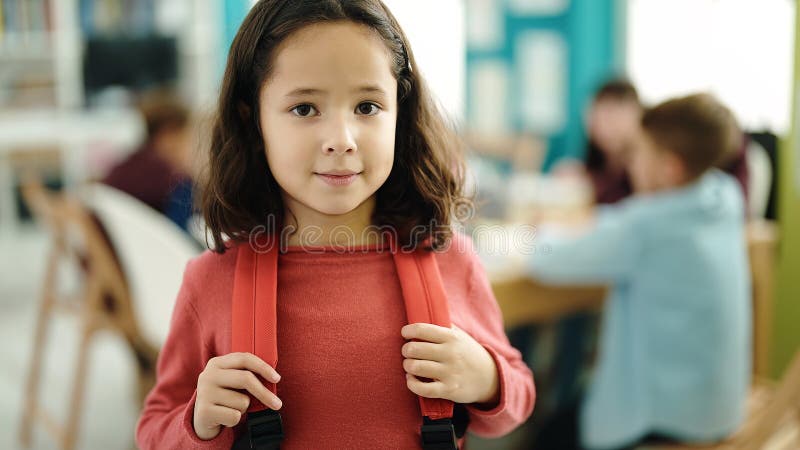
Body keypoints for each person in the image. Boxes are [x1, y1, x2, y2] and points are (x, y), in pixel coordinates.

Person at [135, 1, 536, 449]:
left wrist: (486, 378)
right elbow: (154, 429)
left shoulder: (452, 260)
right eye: (305, 109)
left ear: (399, 113)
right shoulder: (211, 280)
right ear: (254, 121)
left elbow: (518, 394)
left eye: (367, 106)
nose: (341, 141)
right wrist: (198, 421)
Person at [529, 93, 751, 450]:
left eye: (638, 153)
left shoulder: (646, 229)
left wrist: (540, 230)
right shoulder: (725, 197)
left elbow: (545, 260)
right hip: (719, 410)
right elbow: (625, 223)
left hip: (663, 422)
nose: (630, 164)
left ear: (670, 167)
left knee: (546, 436)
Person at [102, 91, 196, 231]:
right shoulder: (168, 179)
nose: (189, 144)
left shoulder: (125, 168)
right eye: (186, 136)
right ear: (168, 135)